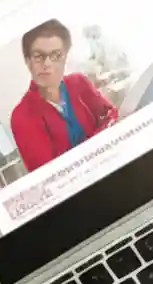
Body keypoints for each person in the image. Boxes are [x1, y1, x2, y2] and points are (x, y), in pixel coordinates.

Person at [10, 19, 119, 172]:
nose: (47, 63)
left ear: (65, 58)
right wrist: (100, 143)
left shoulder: (79, 82)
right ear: (28, 62)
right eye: (38, 56)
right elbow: (50, 174)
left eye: (55, 55)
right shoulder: (22, 116)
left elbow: (111, 114)